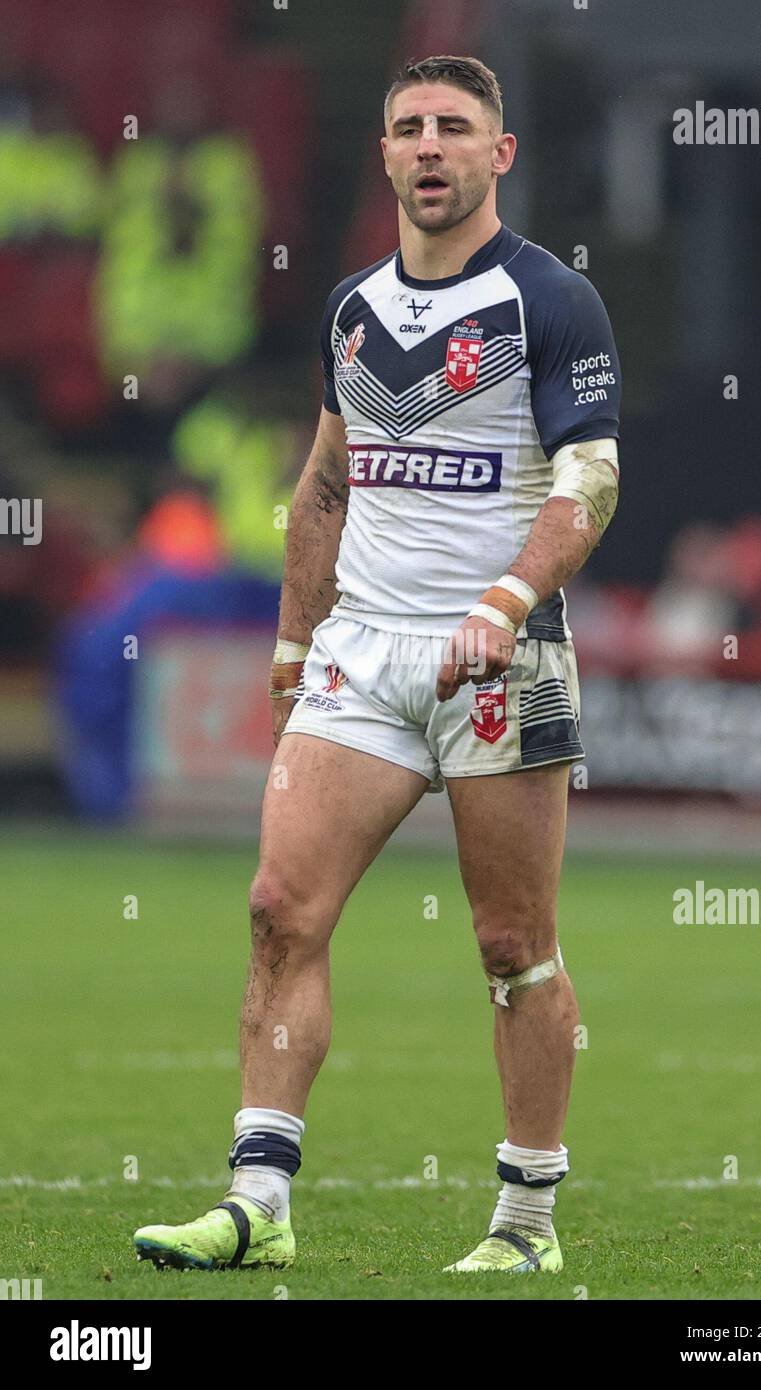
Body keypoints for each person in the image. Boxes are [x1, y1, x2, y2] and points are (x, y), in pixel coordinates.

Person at [134, 54, 621, 1276]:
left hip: (500, 659)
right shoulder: (353, 307)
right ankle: (259, 1200)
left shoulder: (550, 302)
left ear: (497, 154)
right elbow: (327, 486)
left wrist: (507, 600)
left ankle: (524, 1223)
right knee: (276, 910)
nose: (429, 146)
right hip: (362, 652)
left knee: (514, 947)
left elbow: (592, 481)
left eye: (454, 127)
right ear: (387, 155)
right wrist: (297, 640)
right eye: (408, 128)